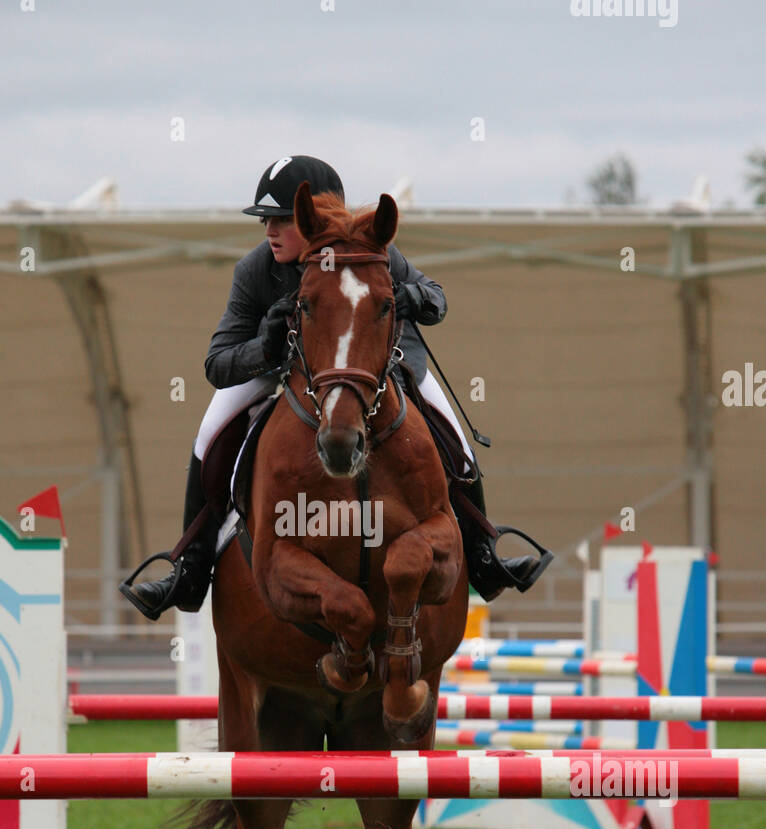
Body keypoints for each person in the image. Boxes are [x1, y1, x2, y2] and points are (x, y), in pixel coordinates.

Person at [121, 155, 548, 618]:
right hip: (282, 372)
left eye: (283, 219)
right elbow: (216, 364)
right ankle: (190, 566)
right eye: (267, 219)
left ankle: (484, 554)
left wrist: (414, 296)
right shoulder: (256, 271)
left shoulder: (374, 250)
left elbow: (437, 299)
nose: (270, 230)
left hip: (377, 367)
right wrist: (263, 349)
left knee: (451, 429)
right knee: (209, 432)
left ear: (317, 218)